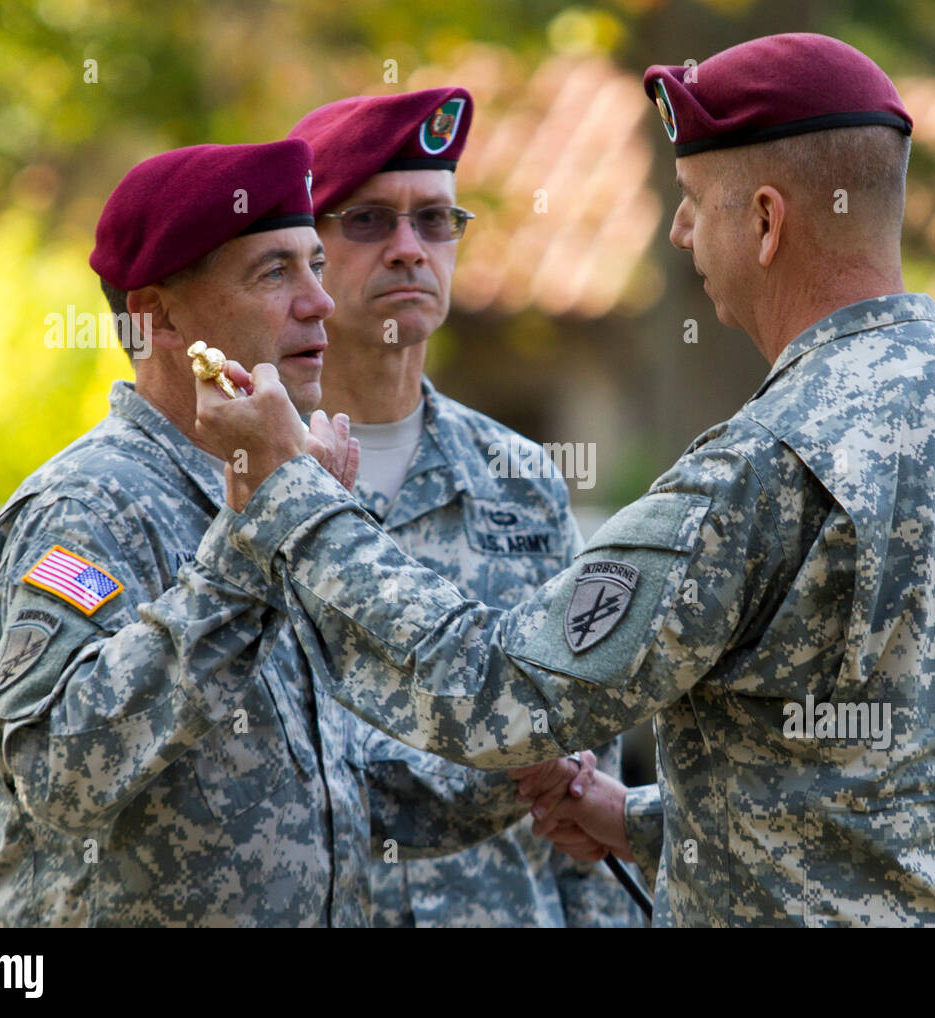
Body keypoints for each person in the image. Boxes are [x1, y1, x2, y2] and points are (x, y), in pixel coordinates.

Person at [169, 34, 935, 927]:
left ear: (763, 221)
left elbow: (488, 692)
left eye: (691, 201)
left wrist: (296, 492)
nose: (678, 234)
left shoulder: (761, 473)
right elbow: (906, 805)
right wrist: (629, 818)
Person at [0, 138, 587, 927]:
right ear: (158, 317)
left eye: (317, 267)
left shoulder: (277, 490)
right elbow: (59, 770)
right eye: (274, 273)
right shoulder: (89, 505)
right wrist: (248, 545)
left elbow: (336, 795)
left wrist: (513, 774)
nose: (319, 302)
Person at [286, 89, 642, 927]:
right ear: (305, 252)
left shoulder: (520, 475)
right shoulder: (248, 470)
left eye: (436, 221)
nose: (410, 250)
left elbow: (586, 770)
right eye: (369, 221)